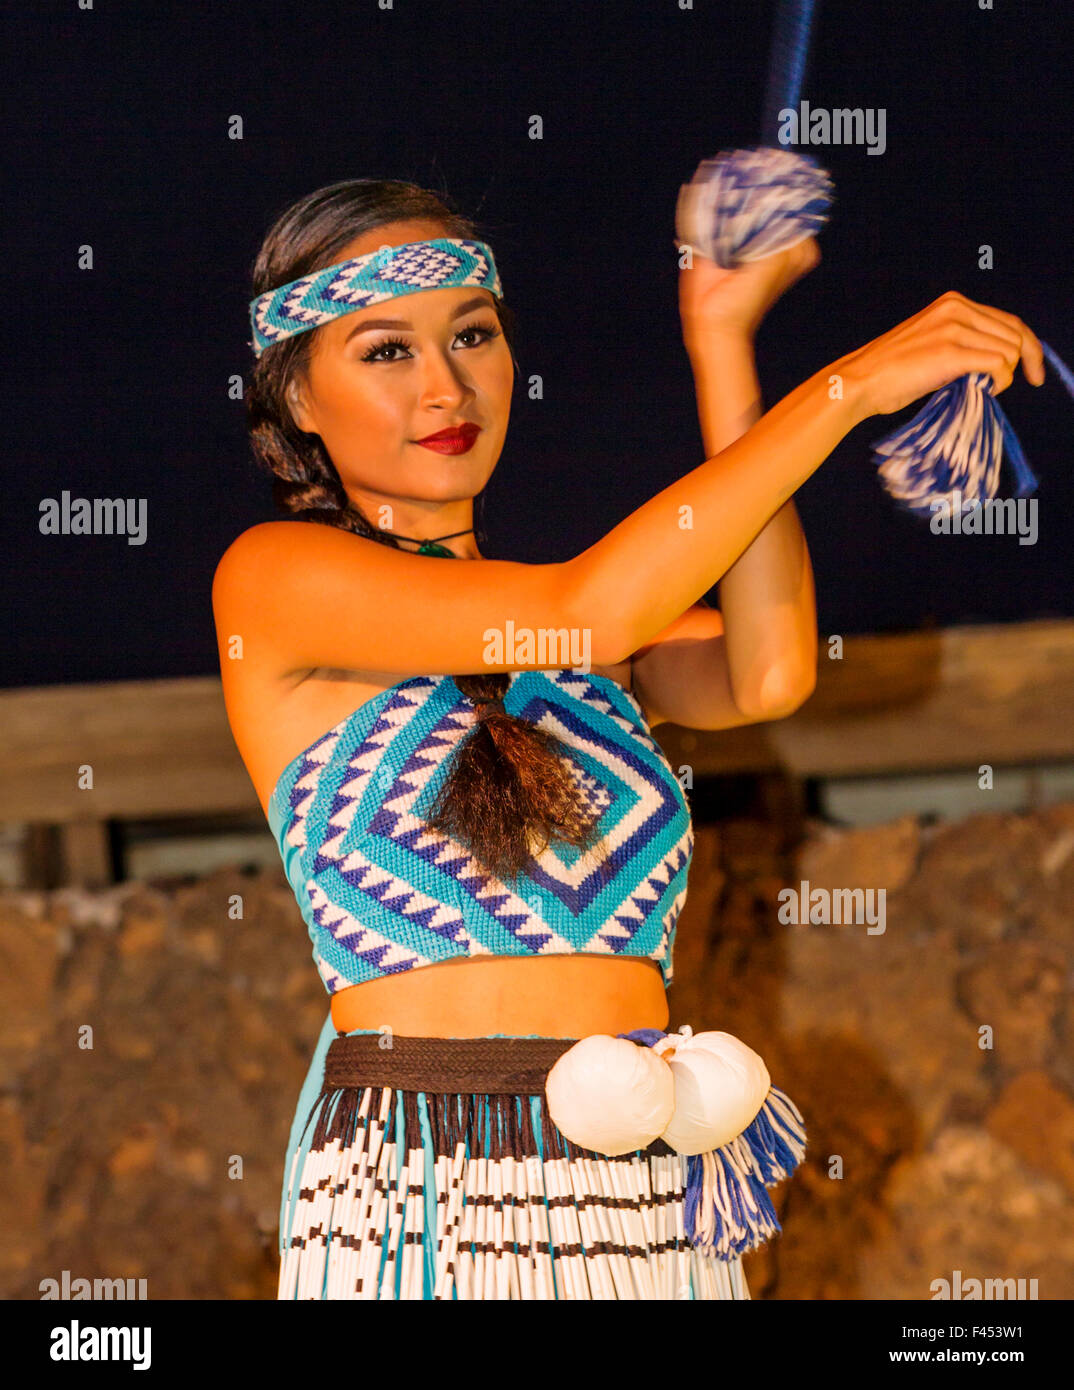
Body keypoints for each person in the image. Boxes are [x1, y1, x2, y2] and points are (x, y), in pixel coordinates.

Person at [212, 178, 1044, 1299]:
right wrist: (844, 391)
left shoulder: (595, 650)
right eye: (385, 352)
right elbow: (576, 606)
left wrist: (723, 344)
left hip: (647, 1192)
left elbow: (770, 666)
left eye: (472, 335)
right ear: (299, 397)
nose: (446, 385)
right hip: (430, 1180)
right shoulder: (274, 581)